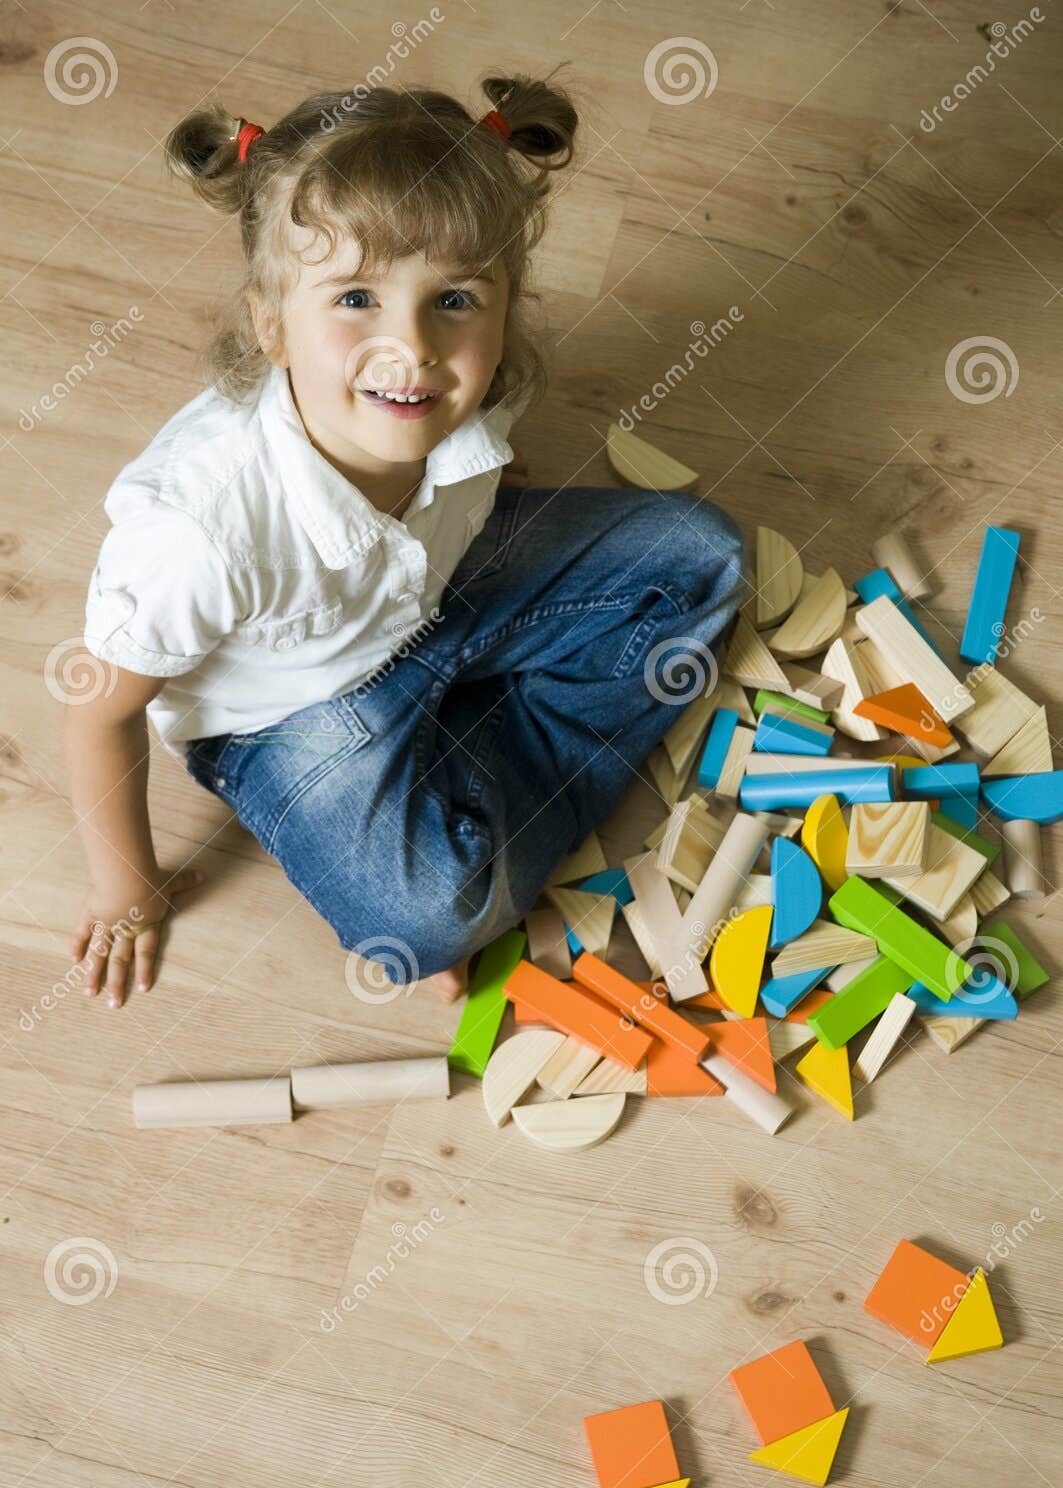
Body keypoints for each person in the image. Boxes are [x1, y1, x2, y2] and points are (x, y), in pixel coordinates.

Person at [67, 71, 746, 1010]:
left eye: (456, 300)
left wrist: (472, 473)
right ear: (271, 324)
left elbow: (473, 427)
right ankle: (473, 792)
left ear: (505, 305)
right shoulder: (201, 532)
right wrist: (125, 892)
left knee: (701, 555)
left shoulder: (471, 384)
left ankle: (462, 770)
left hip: (437, 591)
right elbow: (99, 714)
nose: (413, 349)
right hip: (286, 716)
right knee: (422, 923)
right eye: (354, 300)